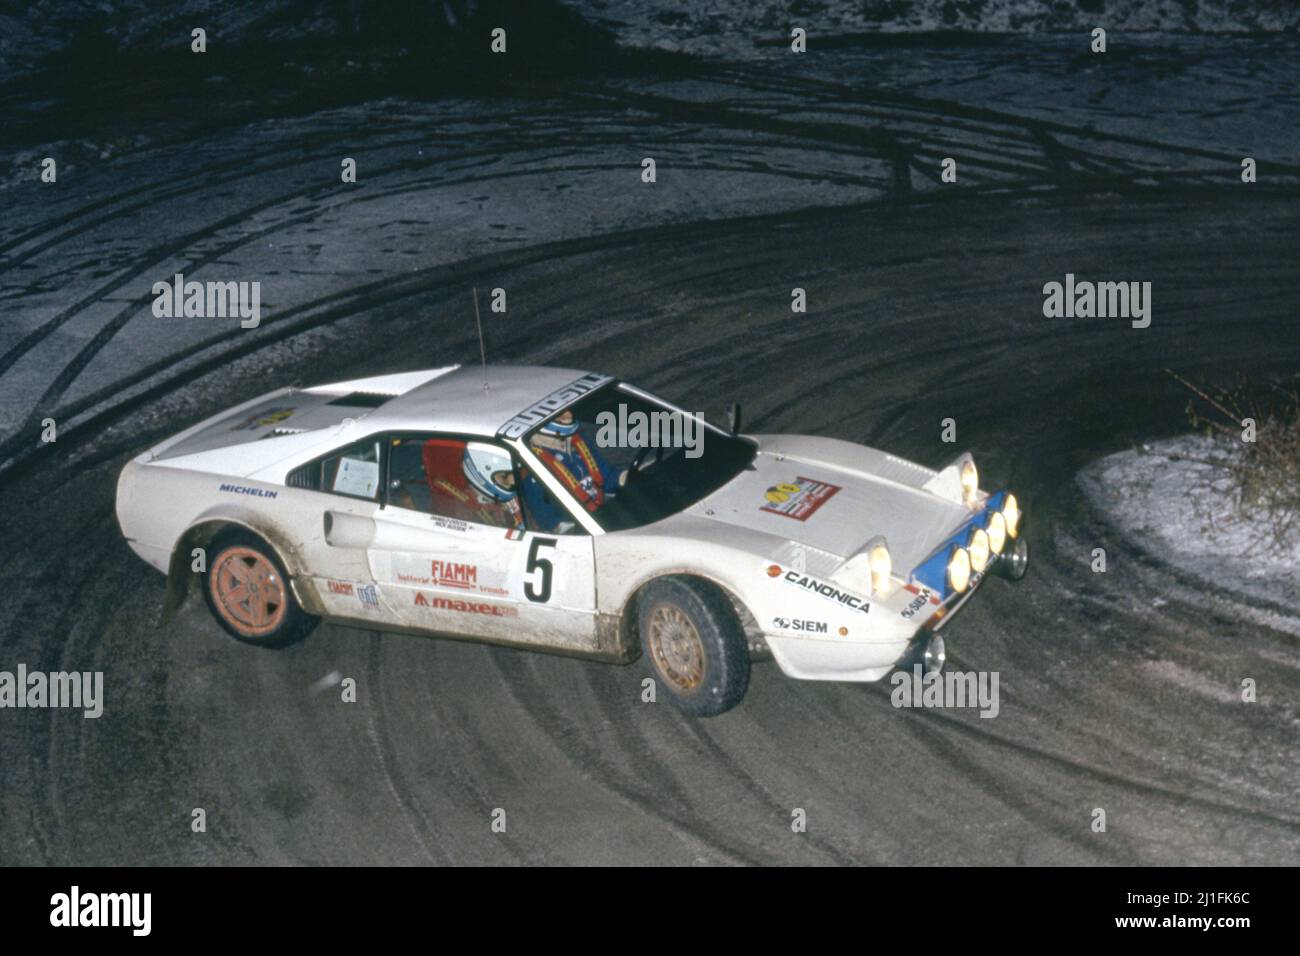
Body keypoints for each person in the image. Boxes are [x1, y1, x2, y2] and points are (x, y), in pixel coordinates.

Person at [522, 410, 627, 531]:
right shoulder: (532, 465)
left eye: (568, 410)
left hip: (605, 512)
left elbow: (605, 476)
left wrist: (623, 477)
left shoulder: (578, 440)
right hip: (584, 529)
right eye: (558, 413)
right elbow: (549, 520)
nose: (569, 415)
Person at [430, 442, 525, 530]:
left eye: (514, 474)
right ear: (483, 474)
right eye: (504, 477)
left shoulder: (512, 496)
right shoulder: (464, 509)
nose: (513, 481)